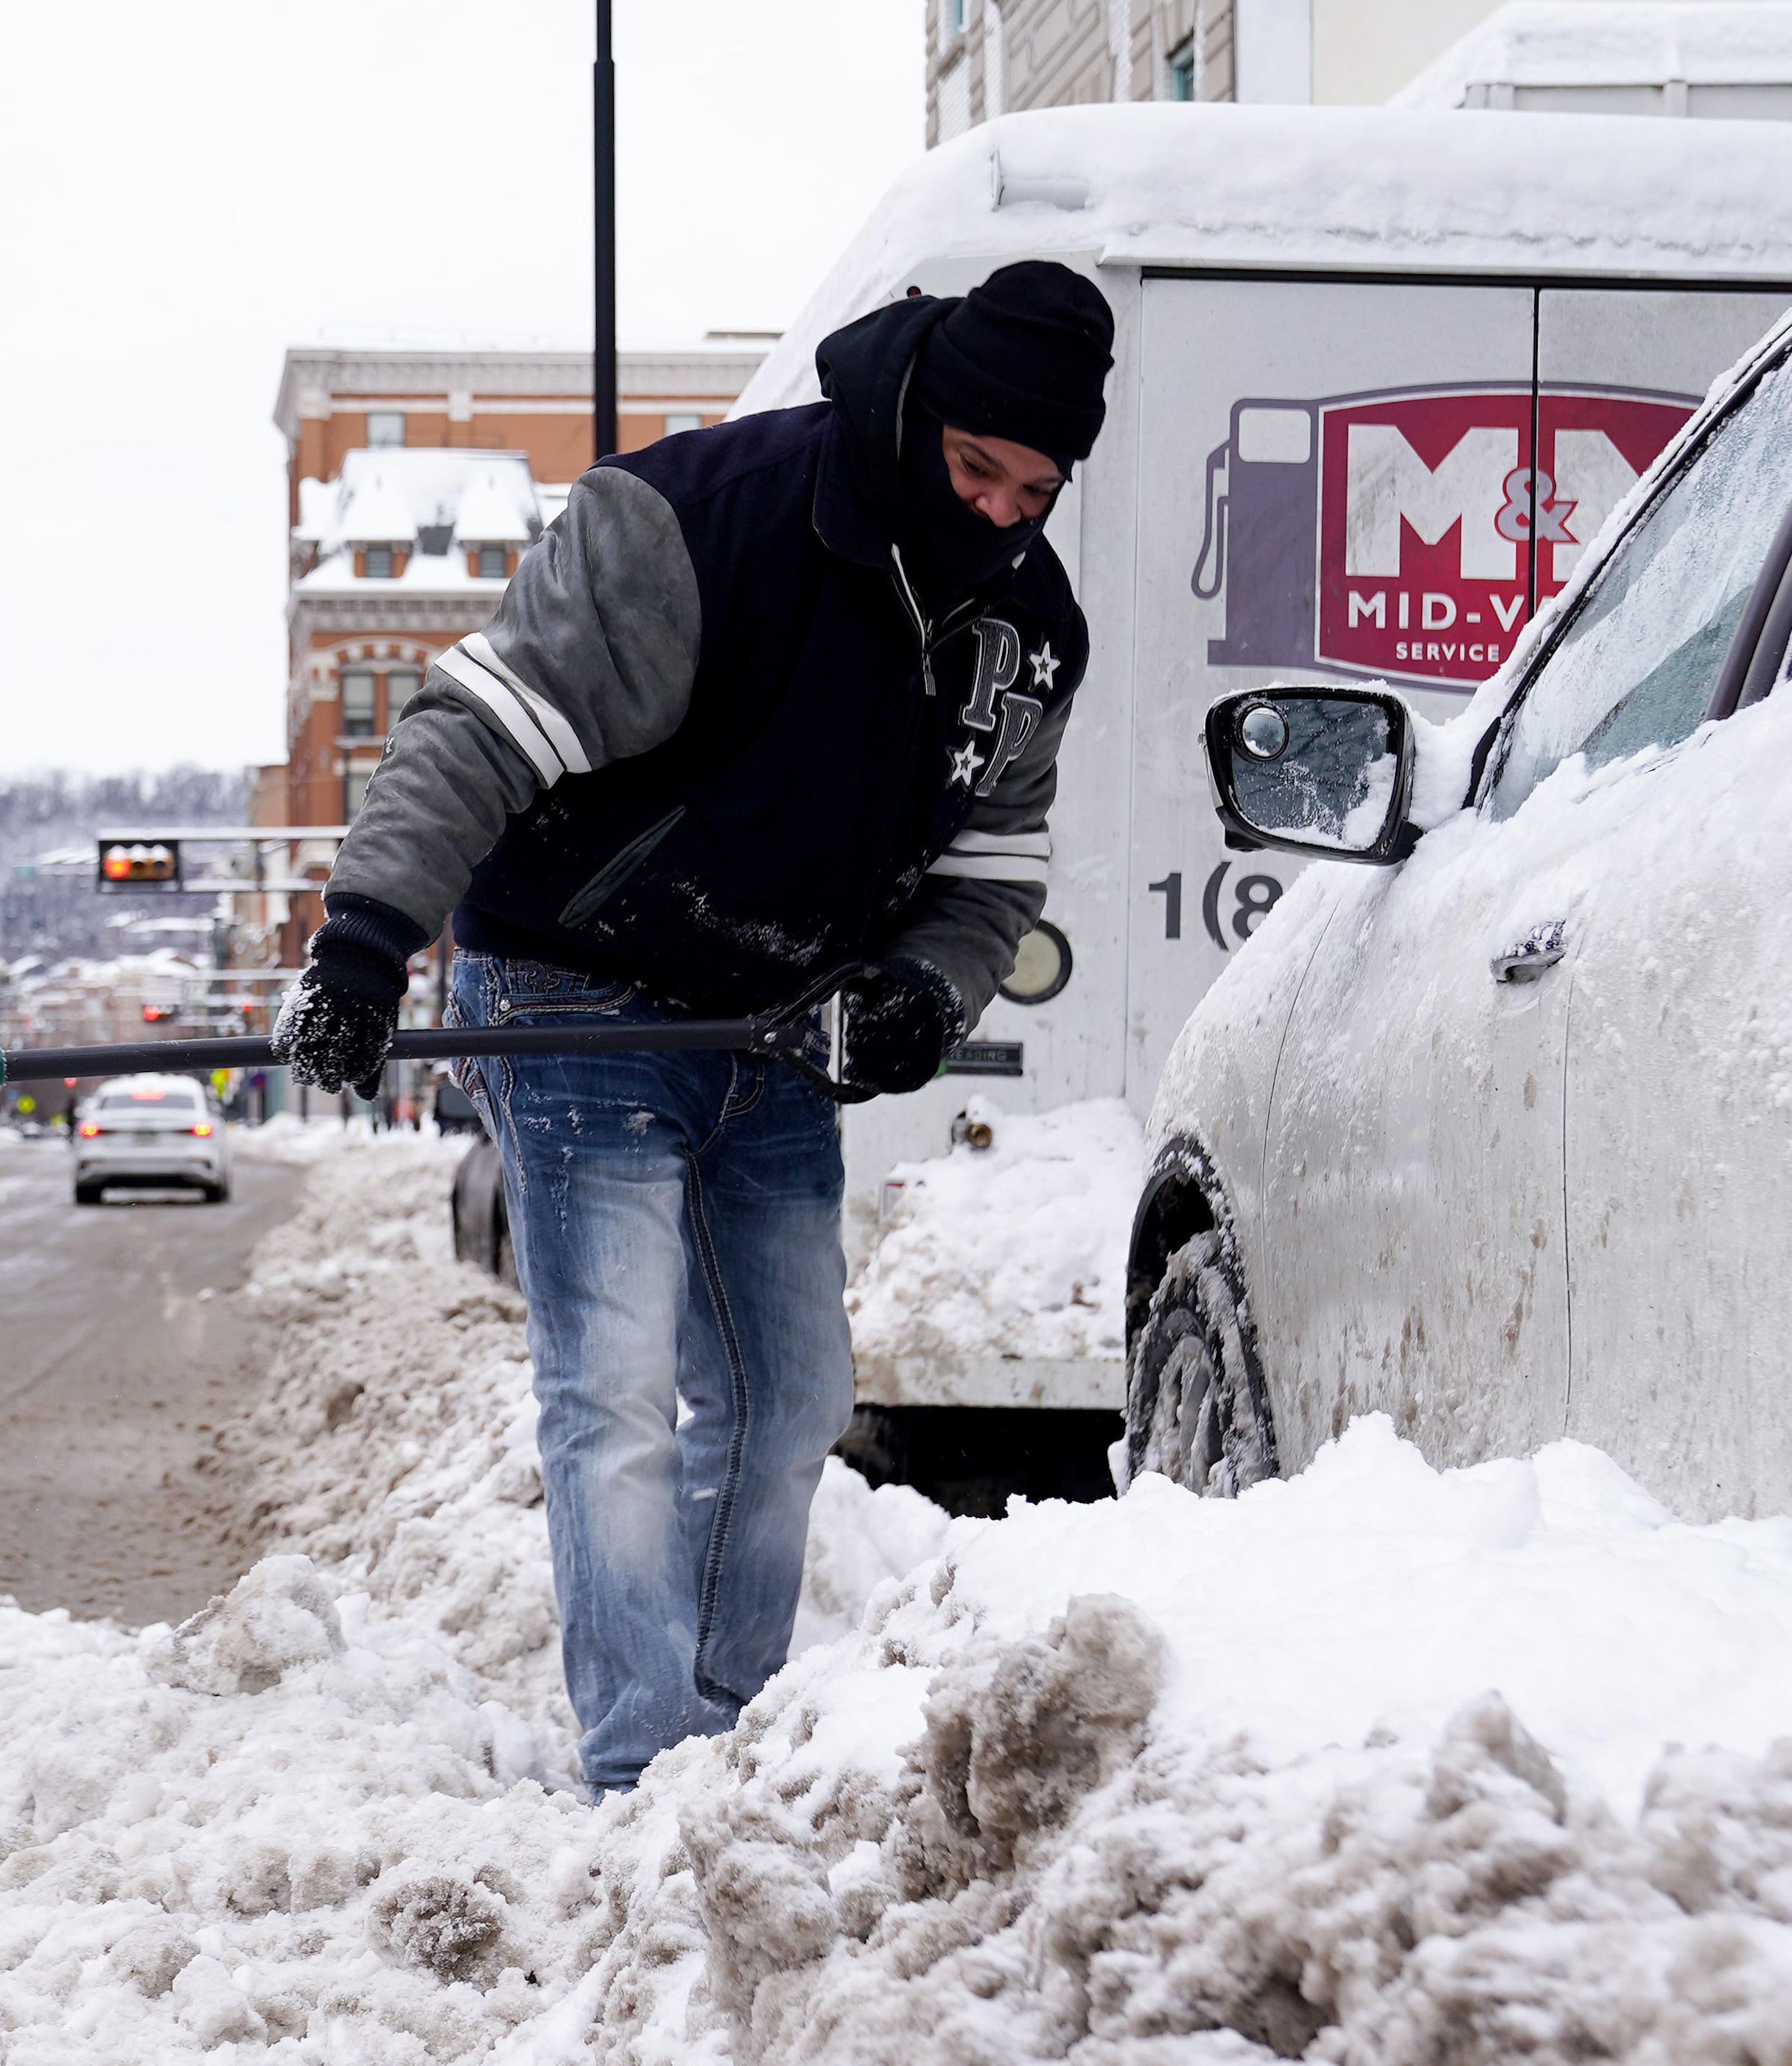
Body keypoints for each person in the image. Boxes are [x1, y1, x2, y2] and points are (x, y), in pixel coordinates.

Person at [271, 262, 1115, 1793]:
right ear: (917, 411)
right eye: (975, 469)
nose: (1000, 510)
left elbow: (991, 866)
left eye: (1036, 489)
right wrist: (362, 944)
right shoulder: (697, 522)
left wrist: (920, 994)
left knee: (791, 1397)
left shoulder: (1027, 627)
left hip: (765, 1027)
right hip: (574, 993)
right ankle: (634, 1762)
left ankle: (723, 1734)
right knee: (613, 1397)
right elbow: (480, 729)